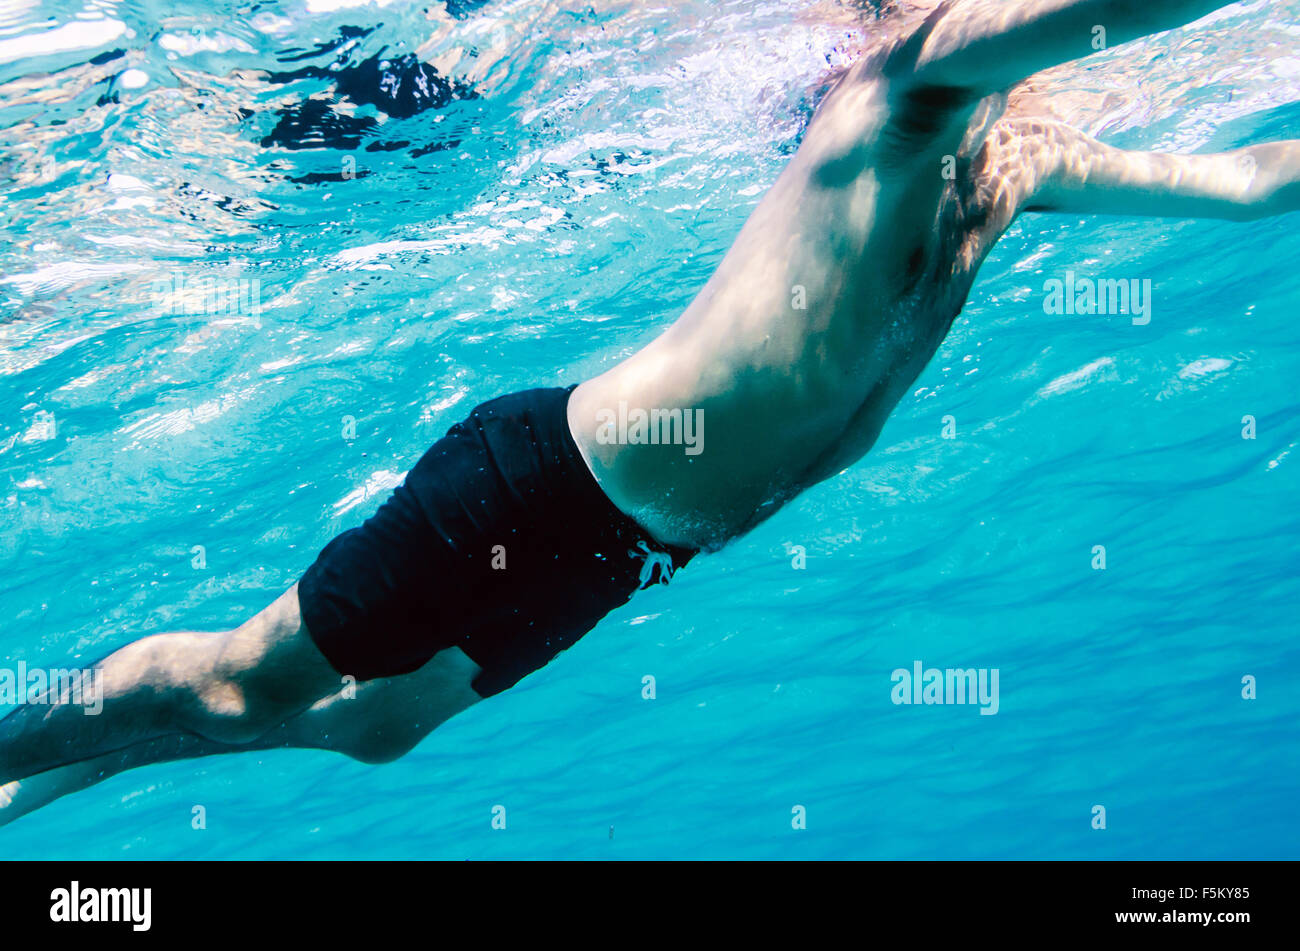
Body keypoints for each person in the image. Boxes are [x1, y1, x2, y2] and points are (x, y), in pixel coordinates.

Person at [2, 0, 1296, 827]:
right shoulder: (899, 93)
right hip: (545, 483)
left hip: (637, 548)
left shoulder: (1012, 167)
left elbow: (1246, 185)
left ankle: (75, 762)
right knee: (244, 682)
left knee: (375, 733)